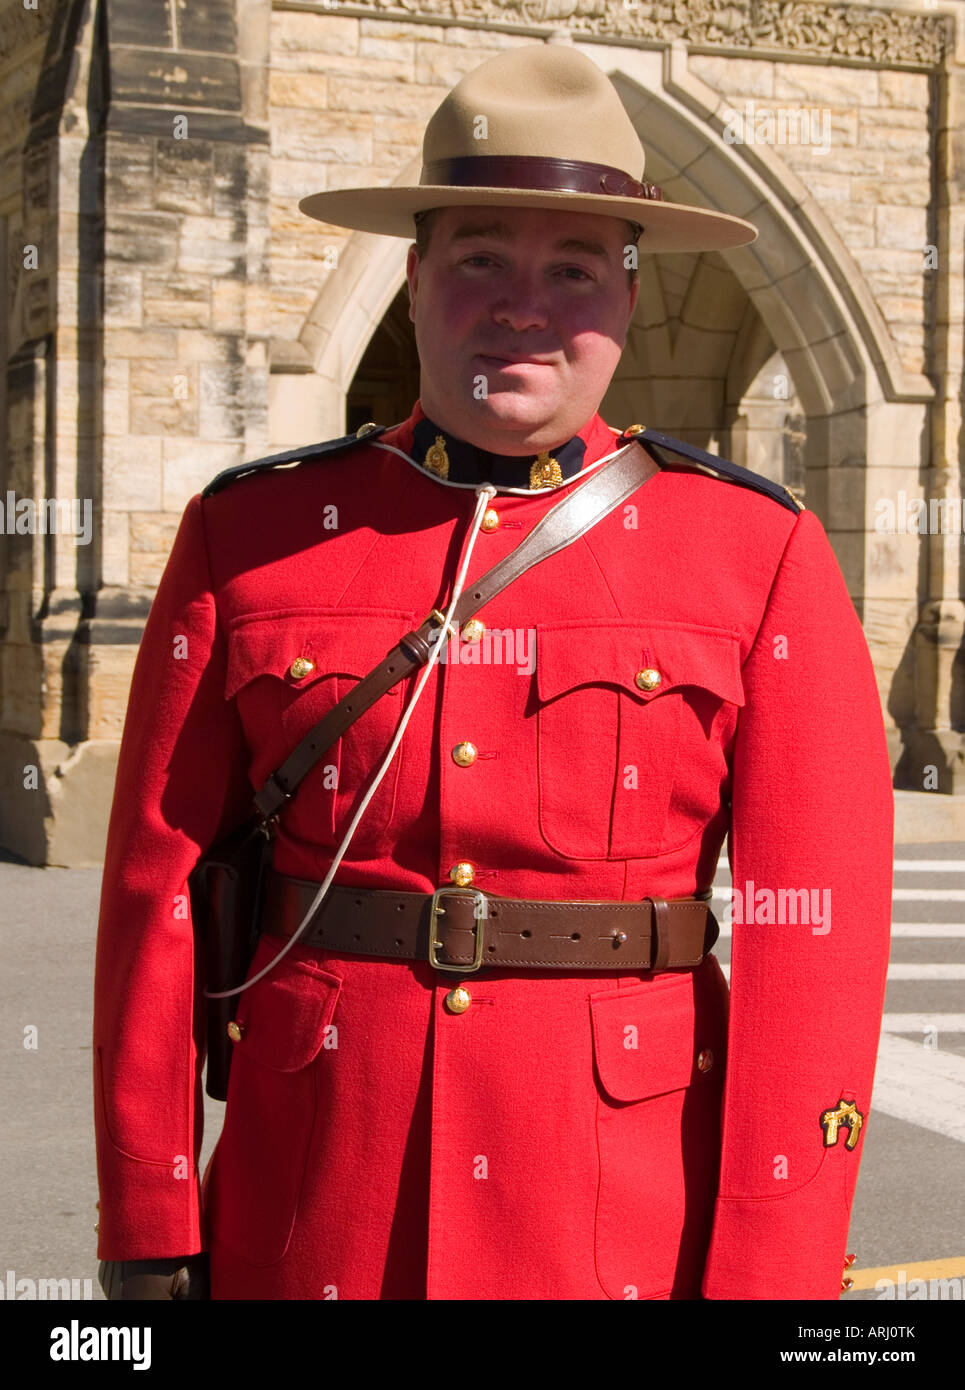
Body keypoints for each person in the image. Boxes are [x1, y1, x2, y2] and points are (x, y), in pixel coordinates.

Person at [93, 42, 893, 1301]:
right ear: (414, 283)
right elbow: (157, 893)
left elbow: (818, 943)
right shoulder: (248, 533)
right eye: (479, 259)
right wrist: (147, 1223)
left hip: (620, 1224)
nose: (524, 304)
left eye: (573, 269)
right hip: (312, 1210)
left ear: (625, 300)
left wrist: (773, 1274)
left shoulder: (754, 552)